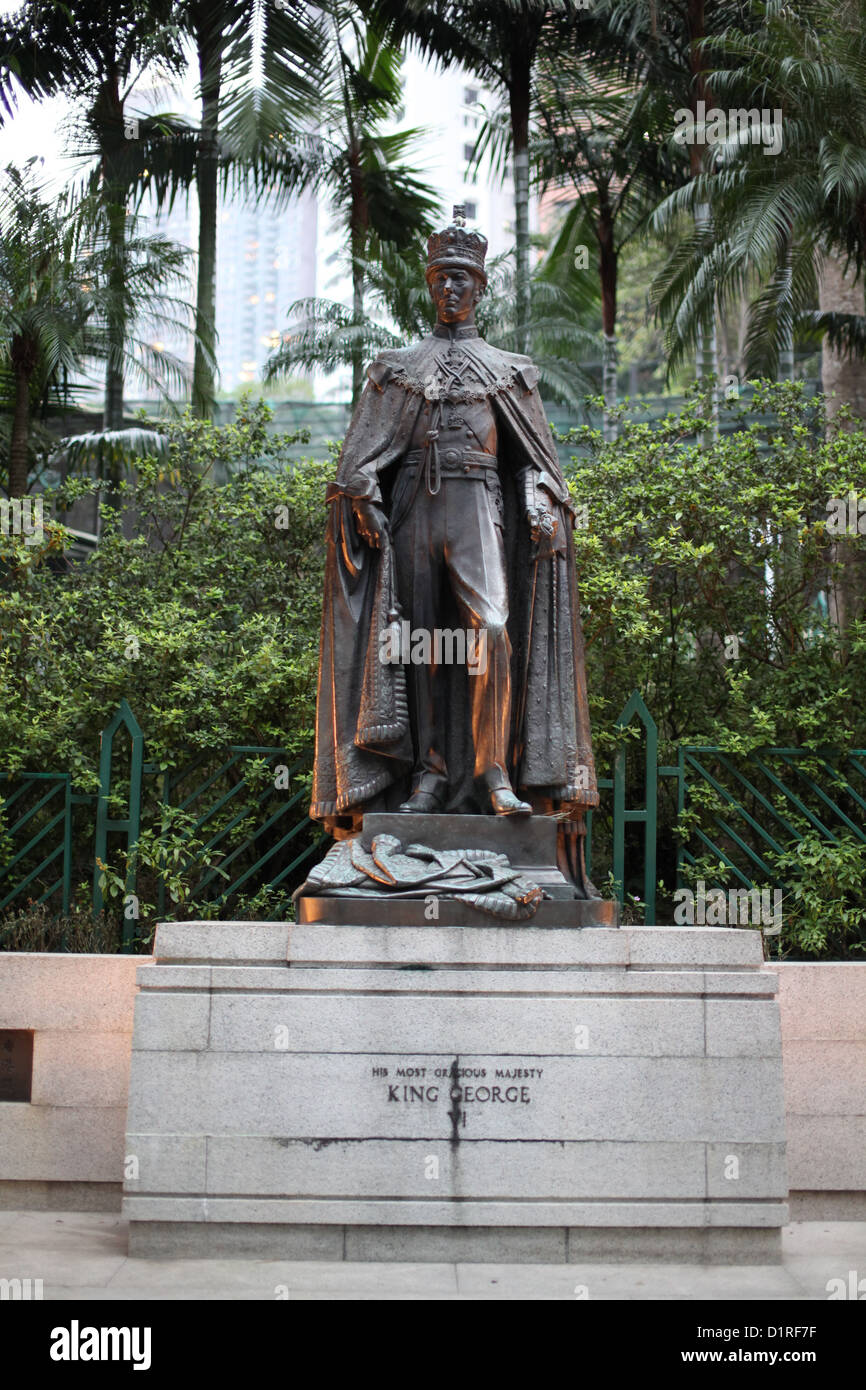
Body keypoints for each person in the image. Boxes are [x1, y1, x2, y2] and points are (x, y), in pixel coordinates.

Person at [310, 207, 598, 890]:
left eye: (463, 279)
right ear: (428, 283)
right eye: (441, 277)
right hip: (412, 510)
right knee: (422, 646)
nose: (450, 290)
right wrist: (364, 497)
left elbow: (540, 465)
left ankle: (494, 771)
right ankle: (432, 778)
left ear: (481, 289)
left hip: (477, 508)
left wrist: (539, 498)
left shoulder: (509, 370)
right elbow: (359, 462)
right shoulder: (396, 368)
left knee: (490, 630)